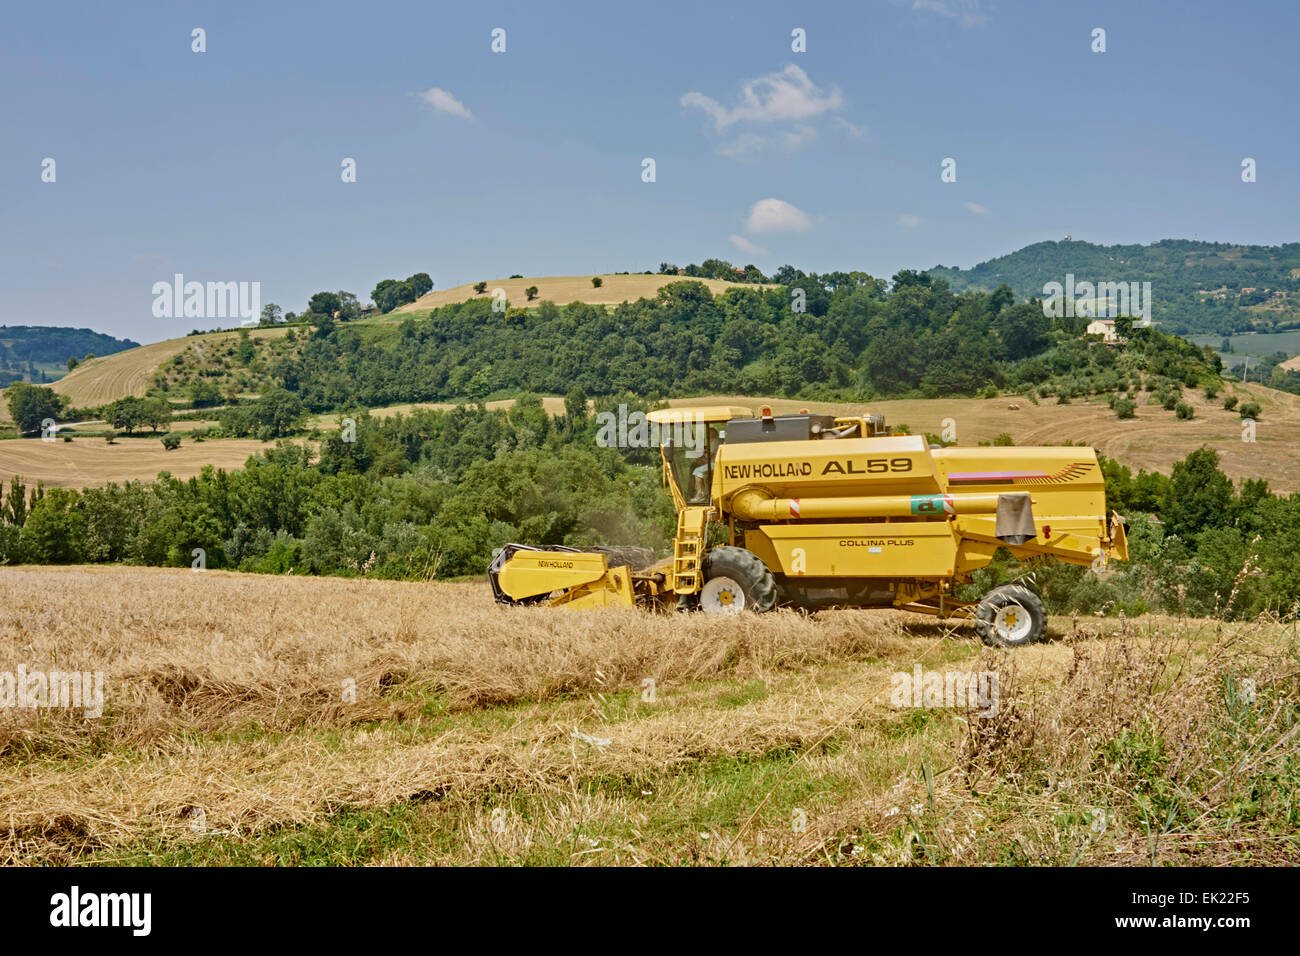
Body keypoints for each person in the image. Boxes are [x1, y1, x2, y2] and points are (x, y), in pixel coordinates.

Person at [690, 429, 722, 500]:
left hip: (715, 464)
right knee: (705, 475)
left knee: (697, 471)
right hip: (716, 463)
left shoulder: (715, 442)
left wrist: (702, 455)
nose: (707, 438)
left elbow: (710, 455)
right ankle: (707, 494)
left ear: (711, 435)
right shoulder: (717, 441)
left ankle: (700, 493)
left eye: (708, 435)